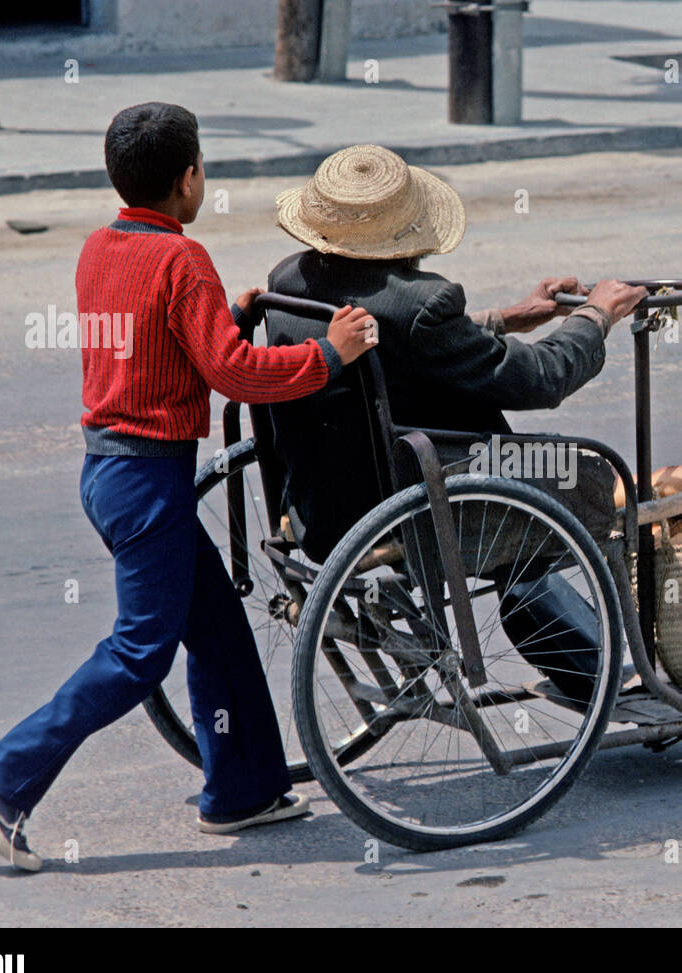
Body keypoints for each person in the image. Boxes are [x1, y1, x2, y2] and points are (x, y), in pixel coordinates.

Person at [0, 102, 377, 872]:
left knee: (212, 625)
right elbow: (231, 374)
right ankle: (2, 776)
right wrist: (331, 352)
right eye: (202, 168)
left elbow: (157, 344)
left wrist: (227, 316)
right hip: (148, 479)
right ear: (189, 180)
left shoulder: (100, 247)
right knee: (139, 653)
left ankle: (243, 789)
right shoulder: (184, 260)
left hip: (112, 471)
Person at [261, 144, 645, 704]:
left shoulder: (290, 279)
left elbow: (409, 343)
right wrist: (596, 316)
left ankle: (581, 654)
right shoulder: (421, 302)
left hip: (323, 504)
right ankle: (607, 665)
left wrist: (515, 315)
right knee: (584, 474)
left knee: (521, 479)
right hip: (413, 496)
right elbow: (539, 378)